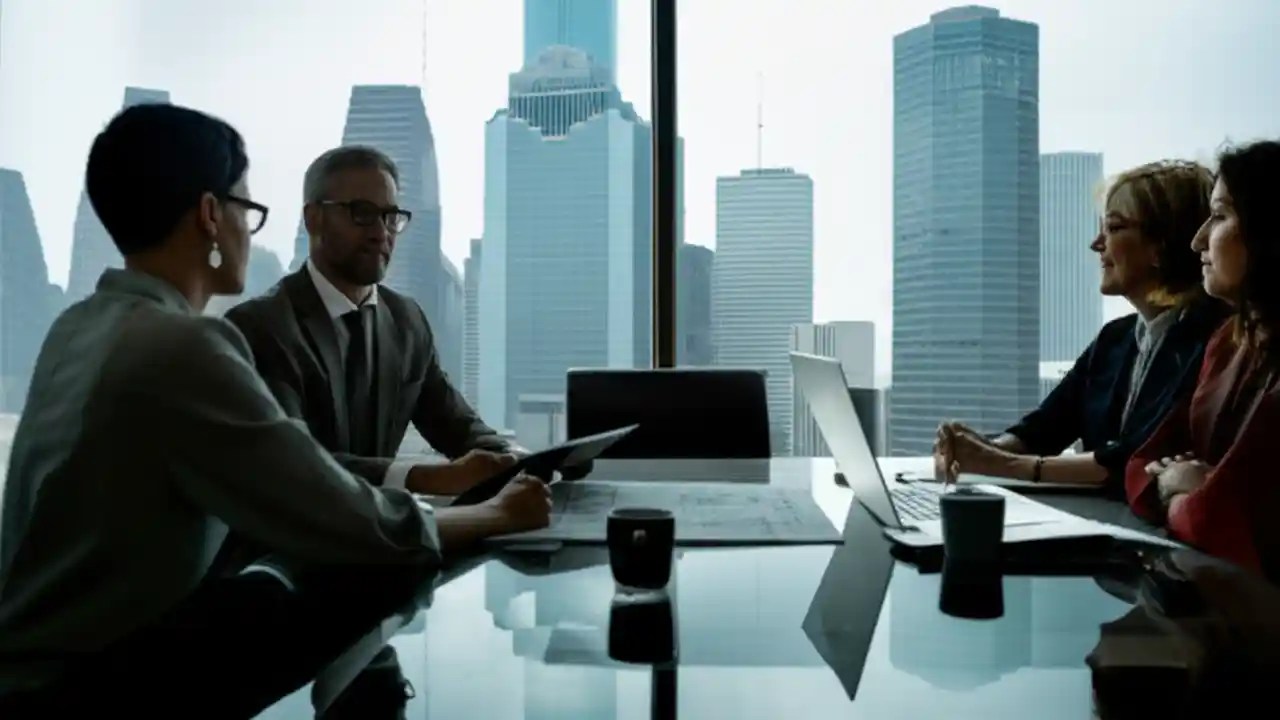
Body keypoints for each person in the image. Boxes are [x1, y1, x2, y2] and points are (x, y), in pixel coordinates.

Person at [0, 104, 551, 704]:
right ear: (212, 215)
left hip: (33, 666)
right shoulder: (183, 347)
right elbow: (332, 511)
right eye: (247, 210)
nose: (249, 229)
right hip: (90, 687)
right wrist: (495, 517)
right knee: (332, 578)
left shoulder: (80, 327)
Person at [225, 145, 575, 498]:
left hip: (382, 539)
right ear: (313, 218)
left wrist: (513, 459)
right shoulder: (260, 328)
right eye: (362, 213)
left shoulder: (406, 320)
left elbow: (454, 422)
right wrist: (424, 478)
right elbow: (292, 462)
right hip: (286, 545)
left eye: (390, 216)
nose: (381, 232)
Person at [934, 160, 1224, 493]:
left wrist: (1004, 463)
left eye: (1114, 228)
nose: (1097, 244)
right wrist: (979, 448)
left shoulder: (1214, 339)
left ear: (1161, 244)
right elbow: (1043, 430)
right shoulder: (1114, 339)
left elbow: (1134, 460)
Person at [1126, 140, 1280, 579]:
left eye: (1220, 215)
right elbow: (1141, 464)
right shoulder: (1228, 345)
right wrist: (1188, 485)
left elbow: (1219, 519)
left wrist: (1177, 488)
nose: (1198, 240)